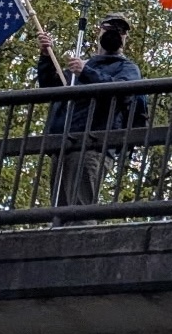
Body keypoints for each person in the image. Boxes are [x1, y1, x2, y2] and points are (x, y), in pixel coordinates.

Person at [36, 13, 149, 207]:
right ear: (100, 31)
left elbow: (122, 90)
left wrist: (85, 72)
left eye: (120, 30)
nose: (115, 32)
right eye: (109, 27)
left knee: (80, 205)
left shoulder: (127, 67)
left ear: (125, 38)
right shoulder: (83, 65)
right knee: (59, 208)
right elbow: (50, 86)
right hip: (63, 143)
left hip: (94, 145)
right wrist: (47, 56)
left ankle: (81, 238)